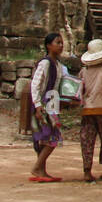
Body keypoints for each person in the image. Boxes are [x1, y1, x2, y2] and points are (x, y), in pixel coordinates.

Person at [29, 32, 68, 182]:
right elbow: (35, 84)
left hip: (52, 103)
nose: (60, 45)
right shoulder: (45, 63)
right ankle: (37, 167)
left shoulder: (58, 65)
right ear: (48, 45)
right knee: (52, 137)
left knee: (45, 137)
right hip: (44, 103)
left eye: (61, 43)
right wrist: (38, 105)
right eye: (57, 42)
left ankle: (42, 170)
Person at [79, 42, 102, 182]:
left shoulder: (84, 71)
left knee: (87, 140)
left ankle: (87, 171)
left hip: (88, 108)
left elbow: (81, 89)